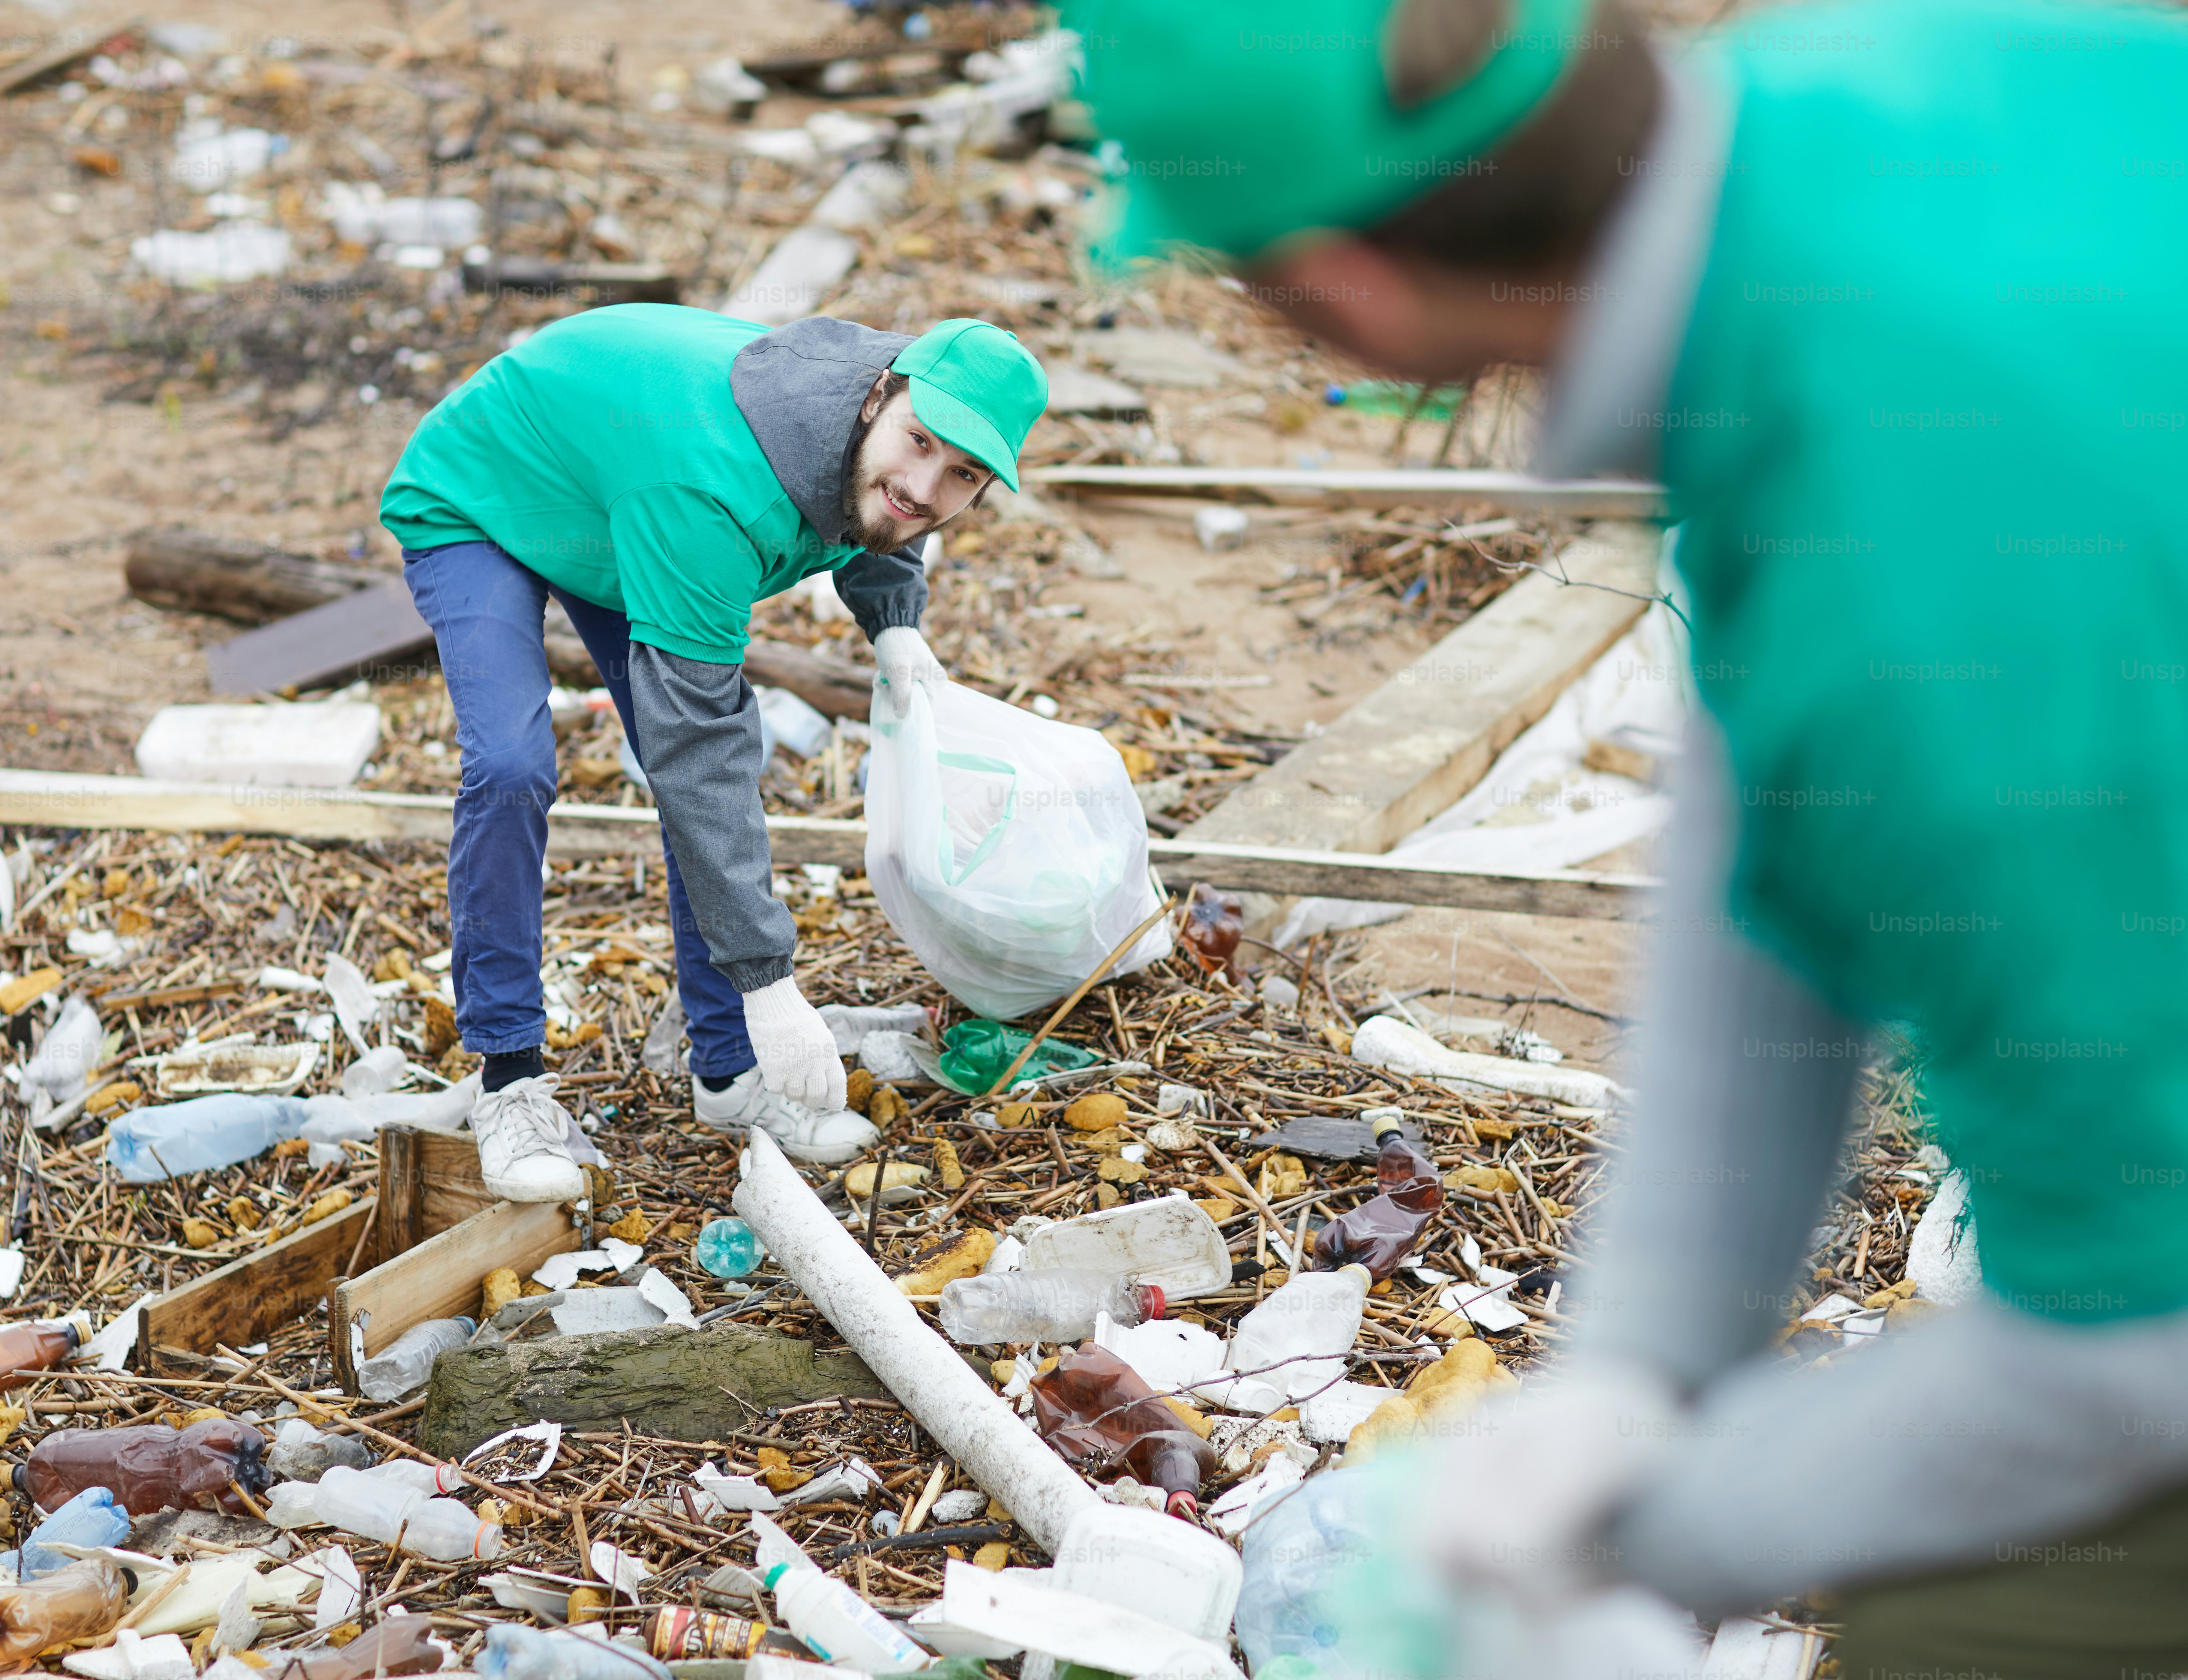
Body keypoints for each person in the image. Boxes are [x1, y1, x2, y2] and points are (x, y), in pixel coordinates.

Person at [1079, 0, 2188, 1672]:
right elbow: (1780, 820)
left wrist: (1627, 1545)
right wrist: (1635, 1364)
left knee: (2005, 1610)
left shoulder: (1956, 621)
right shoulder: (1841, 107)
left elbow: (2134, 1353)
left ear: (1335, 290)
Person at [381, 305, 1047, 1199]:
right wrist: (771, 982)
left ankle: (728, 1077)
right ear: (878, 399)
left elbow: (890, 506)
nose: (928, 486)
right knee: (514, 764)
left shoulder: (891, 416)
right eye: (921, 442)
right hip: (487, 495)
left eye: (964, 474)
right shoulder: (716, 488)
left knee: (709, 774)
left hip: (619, 511)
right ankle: (509, 1080)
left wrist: (895, 627)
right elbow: (699, 750)